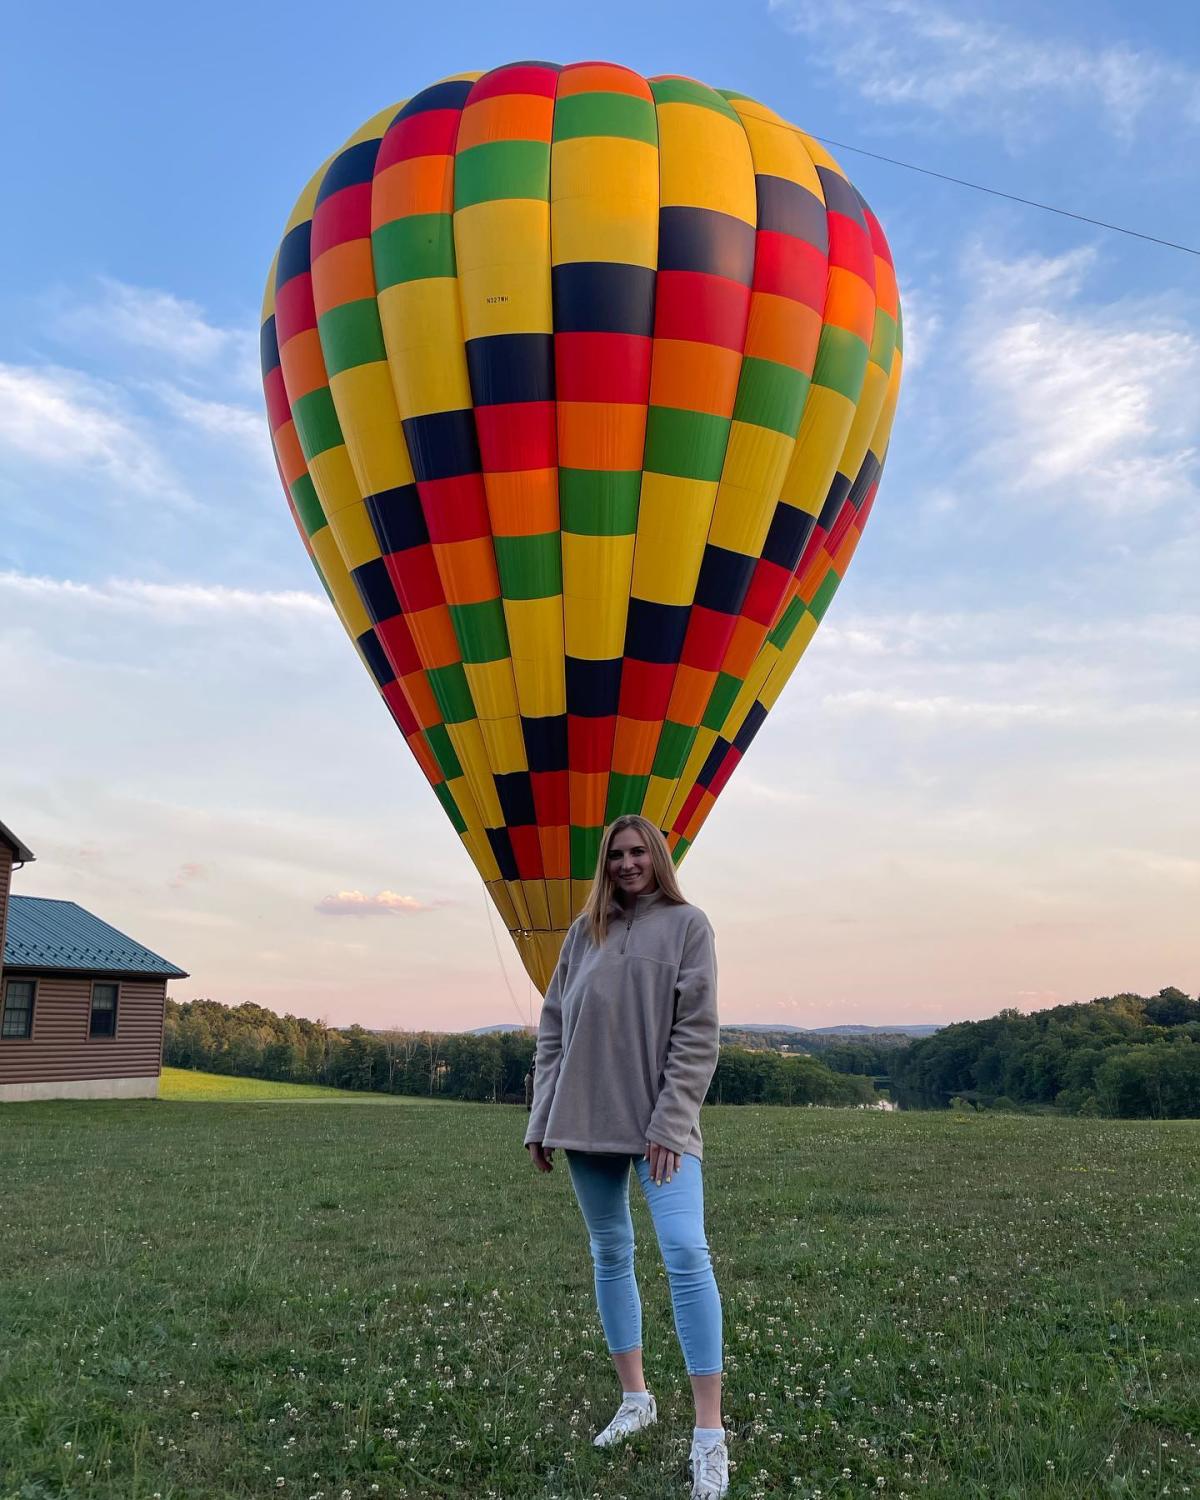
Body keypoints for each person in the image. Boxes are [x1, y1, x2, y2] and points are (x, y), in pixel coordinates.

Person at [524, 814, 728, 1500]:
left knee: (684, 1252)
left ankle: (709, 1433)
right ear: (604, 863)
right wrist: (541, 1117)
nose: (629, 864)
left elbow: (698, 1034)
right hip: (585, 1123)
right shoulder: (584, 934)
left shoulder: (688, 925)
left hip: (660, 1129)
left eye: (640, 852)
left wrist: (671, 1124)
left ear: (659, 857)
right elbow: (552, 1029)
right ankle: (636, 1399)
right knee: (610, 1251)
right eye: (617, 854)